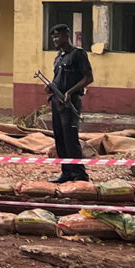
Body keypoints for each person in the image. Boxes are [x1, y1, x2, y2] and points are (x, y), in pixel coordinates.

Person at [47, 23, 94, 182]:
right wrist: (50, 88)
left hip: (70, 103)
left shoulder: (78, 54)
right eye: (53, 36)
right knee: (60, 139)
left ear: (66, 36)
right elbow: (58, 79)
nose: (54, 39)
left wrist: (70, 92)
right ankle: (66, 172)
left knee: (70, 139)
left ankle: (79, 174)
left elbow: (88, 78)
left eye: (57, 36)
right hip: (56, 102)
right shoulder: (59, 58)